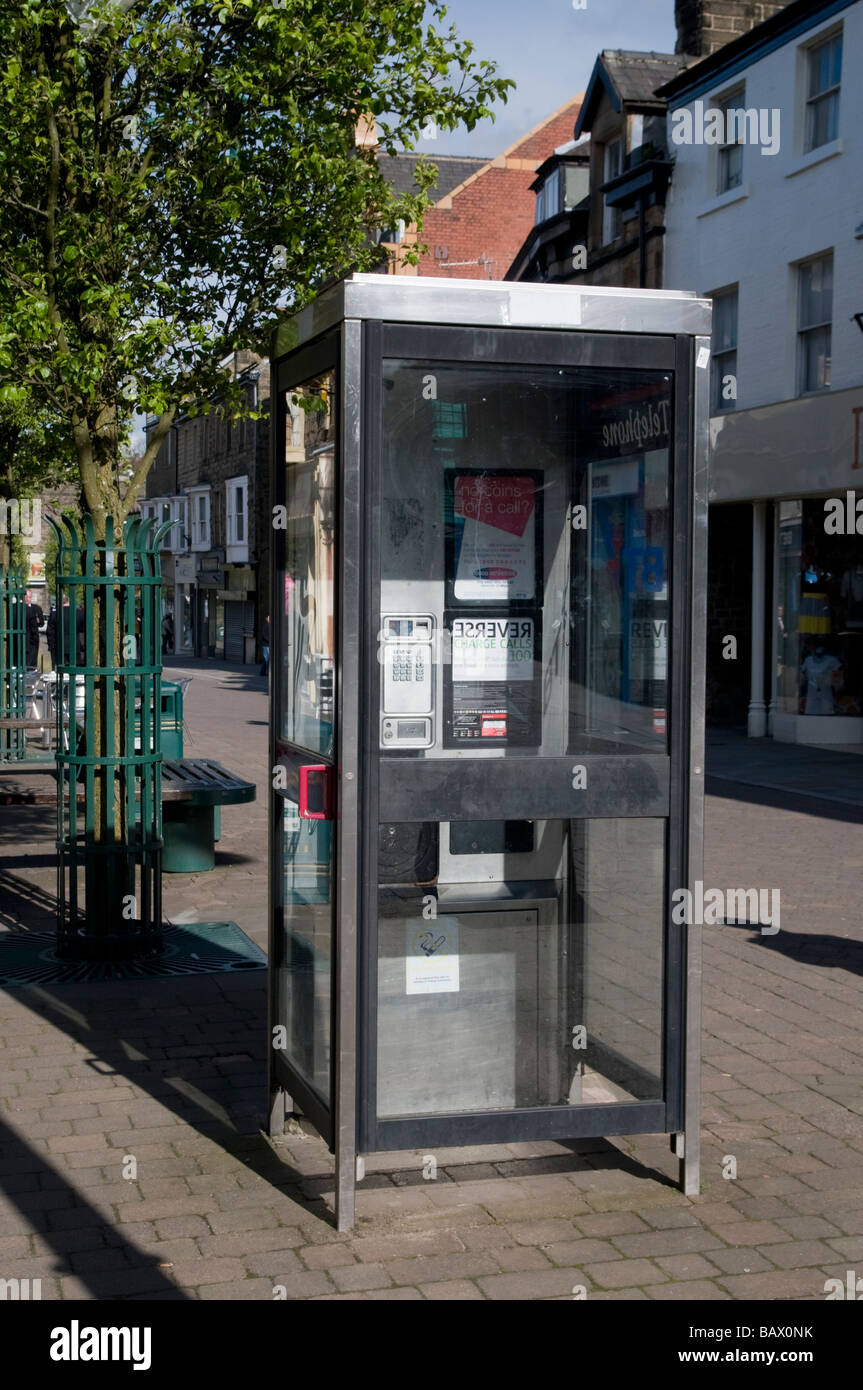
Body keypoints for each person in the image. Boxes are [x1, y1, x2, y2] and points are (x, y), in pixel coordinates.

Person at [24, 587, 44, 669]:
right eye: (28, 597)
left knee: (32, 659)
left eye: (30, 597)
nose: (29, 599)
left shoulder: (36, 608)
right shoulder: (20, 608)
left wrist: (38, 621)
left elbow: (41, 622)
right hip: (24, 636)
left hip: (32, 637)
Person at [260, 613, 270, 678]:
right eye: (269, 617)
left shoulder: (268, 625)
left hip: (267, 644)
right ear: (266, 618)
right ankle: (264, 672)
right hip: (266, 645)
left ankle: (263, 672)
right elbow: (264, 635)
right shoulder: (265, 625)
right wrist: (269, 640)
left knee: (266, 659)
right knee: (266, 659)